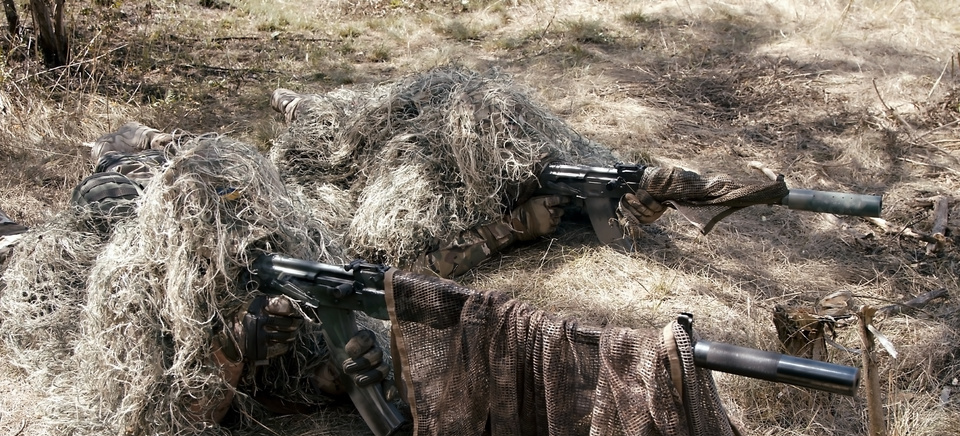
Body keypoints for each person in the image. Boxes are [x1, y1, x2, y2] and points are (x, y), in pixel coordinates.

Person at [0, 125, 390, 436]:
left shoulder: (288, 248)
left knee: (143, 169)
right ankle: (108, 153)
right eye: (222, 238)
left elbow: (290, 381)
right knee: (10, 238)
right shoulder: (130, 286)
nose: (243, 243)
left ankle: (129, 144)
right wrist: (230, 350)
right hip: (82, 269)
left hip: (151, 214)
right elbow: (157, 428)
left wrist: (333, 375)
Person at [267, 65, 785, 278]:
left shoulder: (537, 147)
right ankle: (294, 105)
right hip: (361, 140)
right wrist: (511, 229)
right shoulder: (418, 181)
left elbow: (599, 209)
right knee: (328, 119)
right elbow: (412, 269)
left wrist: (633, 210)